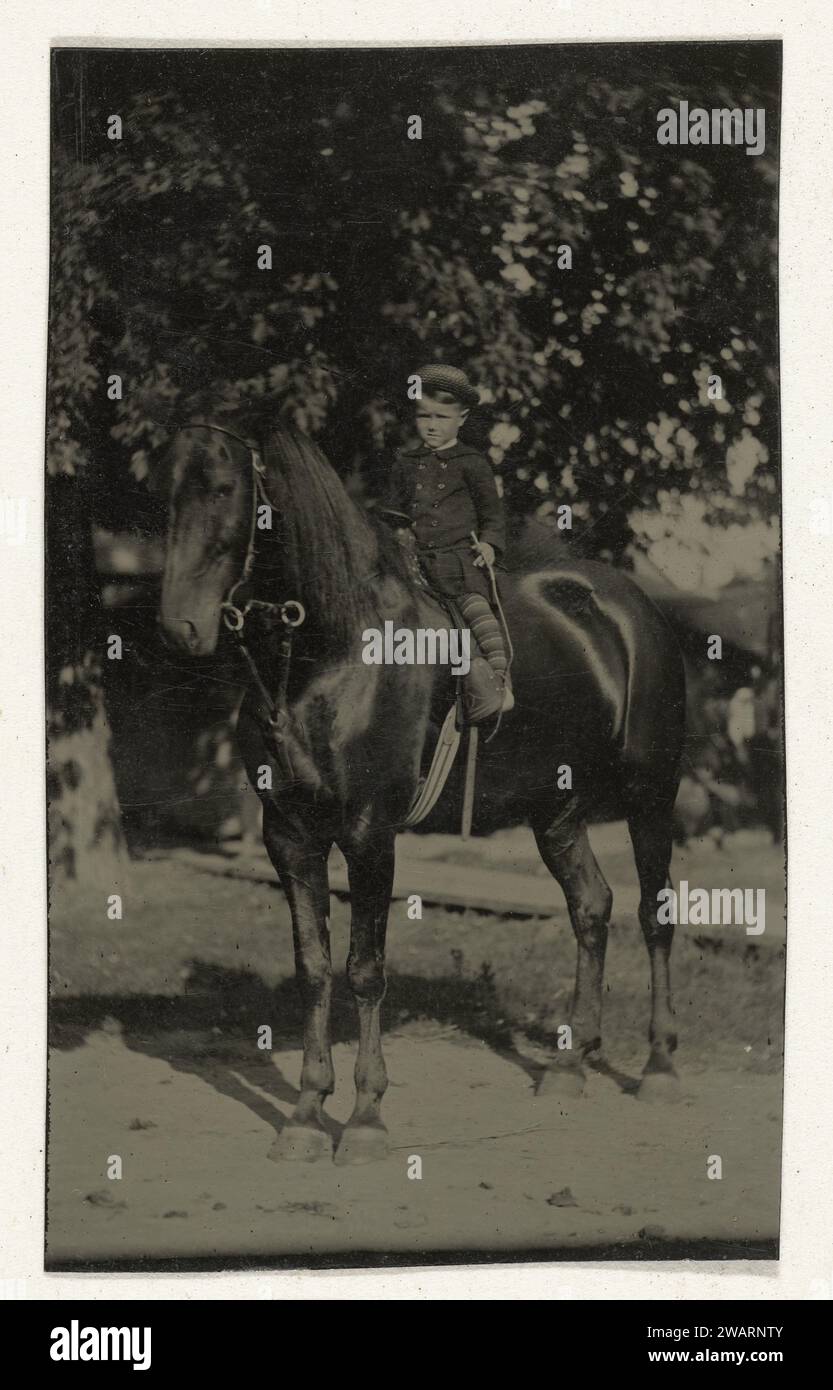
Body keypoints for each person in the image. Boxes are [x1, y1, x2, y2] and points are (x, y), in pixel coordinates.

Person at [378, 364, 513, 713]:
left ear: (462, 418)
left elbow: (493, 516)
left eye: (441, 416)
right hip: (413, 565)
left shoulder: (473, 463)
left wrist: (489, 544)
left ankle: (497, 680)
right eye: (424, 416)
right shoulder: (405, 463)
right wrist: (396, 536)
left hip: (459, 564)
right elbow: (391, 513)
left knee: (478, 613)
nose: (432, 425)